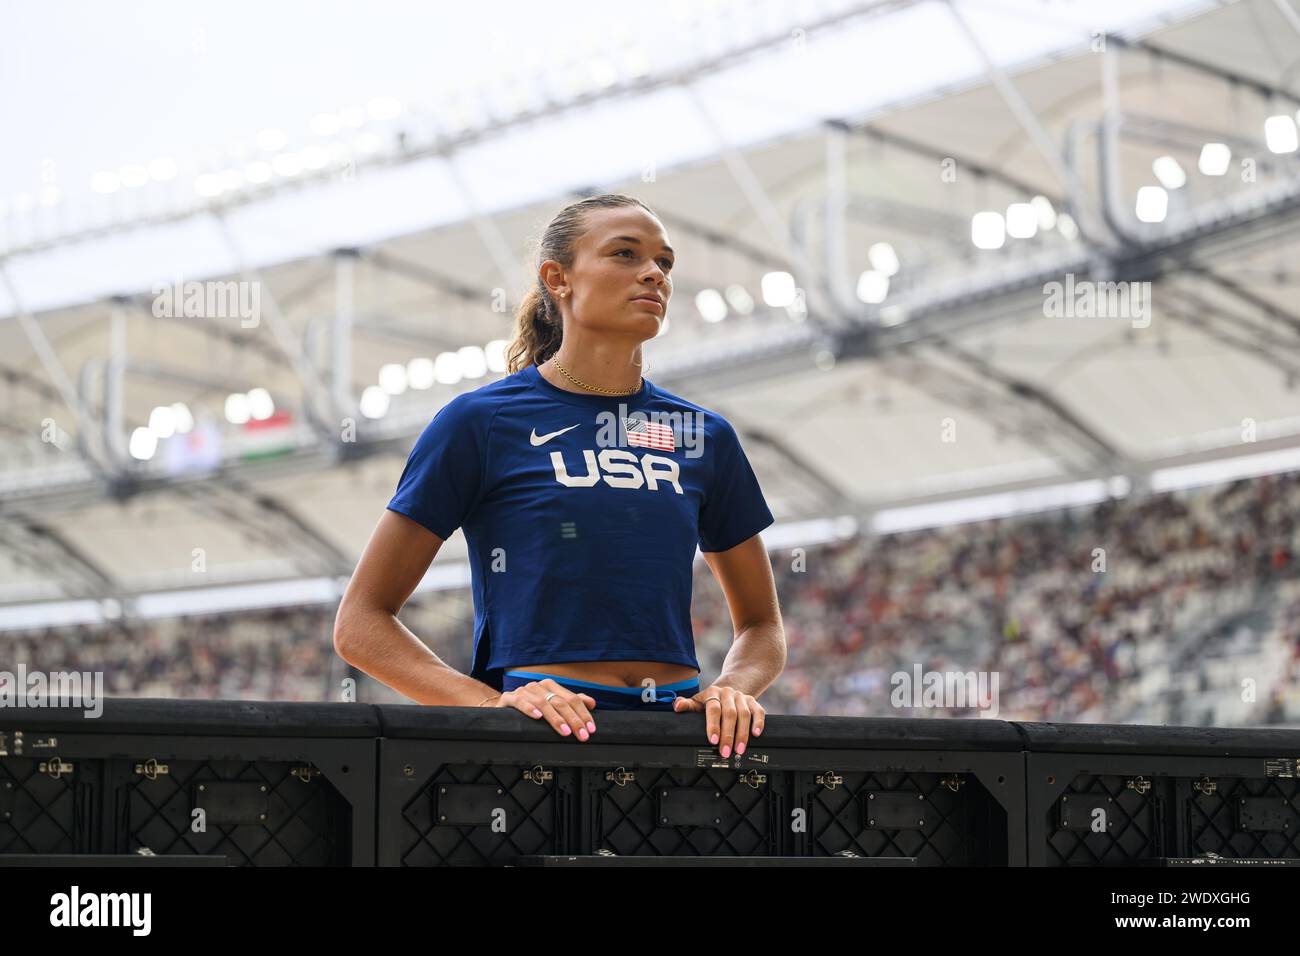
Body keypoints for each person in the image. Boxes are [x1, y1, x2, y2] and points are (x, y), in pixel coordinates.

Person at [334, 193, 785, 758]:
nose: (653, 273)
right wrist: (488, 706)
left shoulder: (703, 434)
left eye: (664, 263)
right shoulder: (481, 422)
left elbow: (762, 626)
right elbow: (360, 624)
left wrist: (732, 690)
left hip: (680, 736)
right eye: (624, 254)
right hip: (540, 735)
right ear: (558, 278)